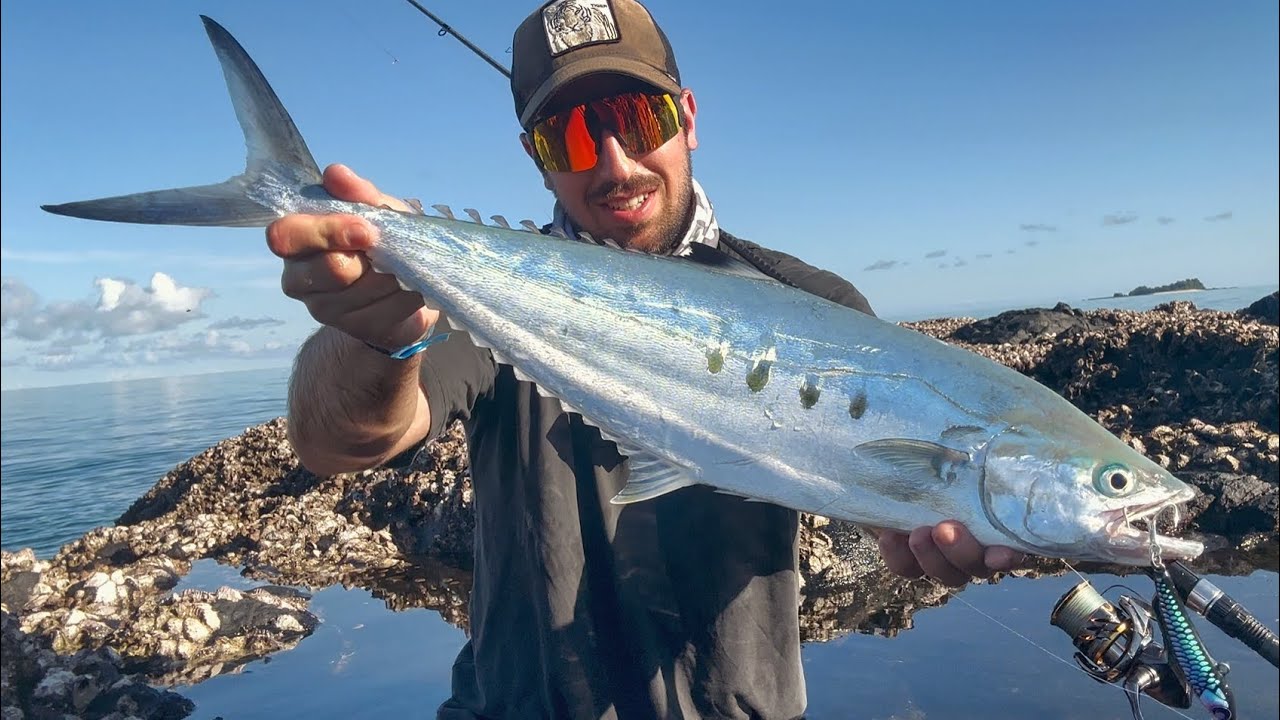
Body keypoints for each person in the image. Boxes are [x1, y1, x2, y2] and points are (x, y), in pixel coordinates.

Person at [267, 1, 1024, 716]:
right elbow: (336, 442)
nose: (614, 162)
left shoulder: (814, 305)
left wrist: (900, 520)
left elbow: (874, 490)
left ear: (687, 118)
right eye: (566, 137)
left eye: (637, 116)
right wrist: (377, 331)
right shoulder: (484, 300)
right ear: (536, 160)